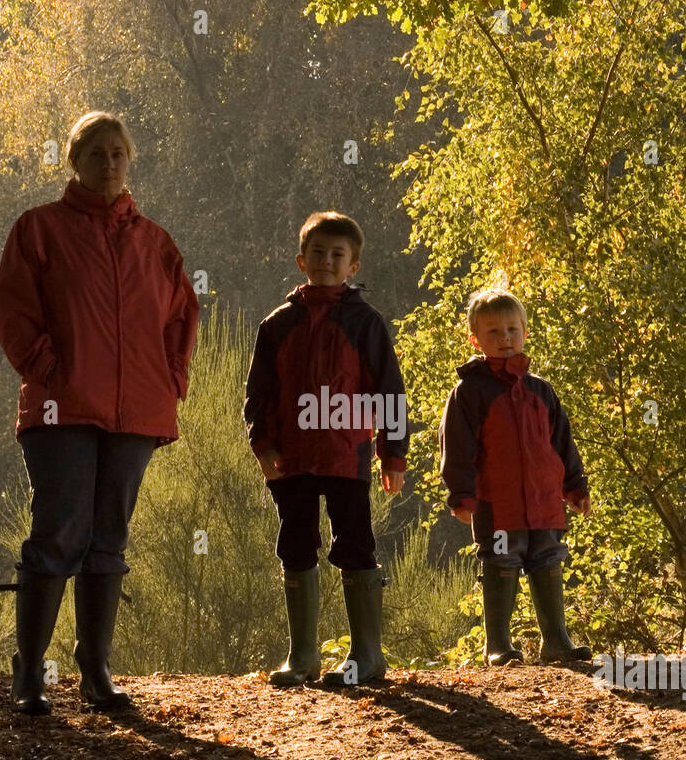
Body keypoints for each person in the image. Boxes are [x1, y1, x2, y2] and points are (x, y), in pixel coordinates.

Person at [0, 110, 199, 714]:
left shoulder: (155, 242)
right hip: (62, 405)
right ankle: (29, 672)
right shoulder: (39, 229)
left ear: (128, 161)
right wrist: (45, 367)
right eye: (96, 153)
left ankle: (95, 668)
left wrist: (172, 379)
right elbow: (11, 307)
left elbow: (182, 316)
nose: (108, 164)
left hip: (137, 410)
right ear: (74, 160)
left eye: (118, 154)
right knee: (59, 532)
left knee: (109, 536)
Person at [244, 211, 408, 687]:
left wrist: (391, 453)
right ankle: (302, 657)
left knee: (354, 543)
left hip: (346, 456)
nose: (326, 262)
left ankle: (367, 655)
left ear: (353, 265)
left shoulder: (366, 323)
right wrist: (263, 445)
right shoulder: (276, 324)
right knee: (295, 543)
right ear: (301, 260)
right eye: (317, 253)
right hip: (291, 459)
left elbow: (389, 392)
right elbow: (258, 393)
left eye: (338, 255)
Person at [439, 287, 593, 666]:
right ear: (475, 339)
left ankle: (557, 642)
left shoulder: (541, 390)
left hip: (543, 502)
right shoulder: (469, 391)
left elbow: (562, 443)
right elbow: (456, 447)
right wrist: (461, 495)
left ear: (525, 332)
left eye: (512, 329)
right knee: (501, 562)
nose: (504, 338)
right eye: (493, 332)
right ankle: (498, 646)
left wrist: (575, 487)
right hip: (497, 504)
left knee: (548, 560)